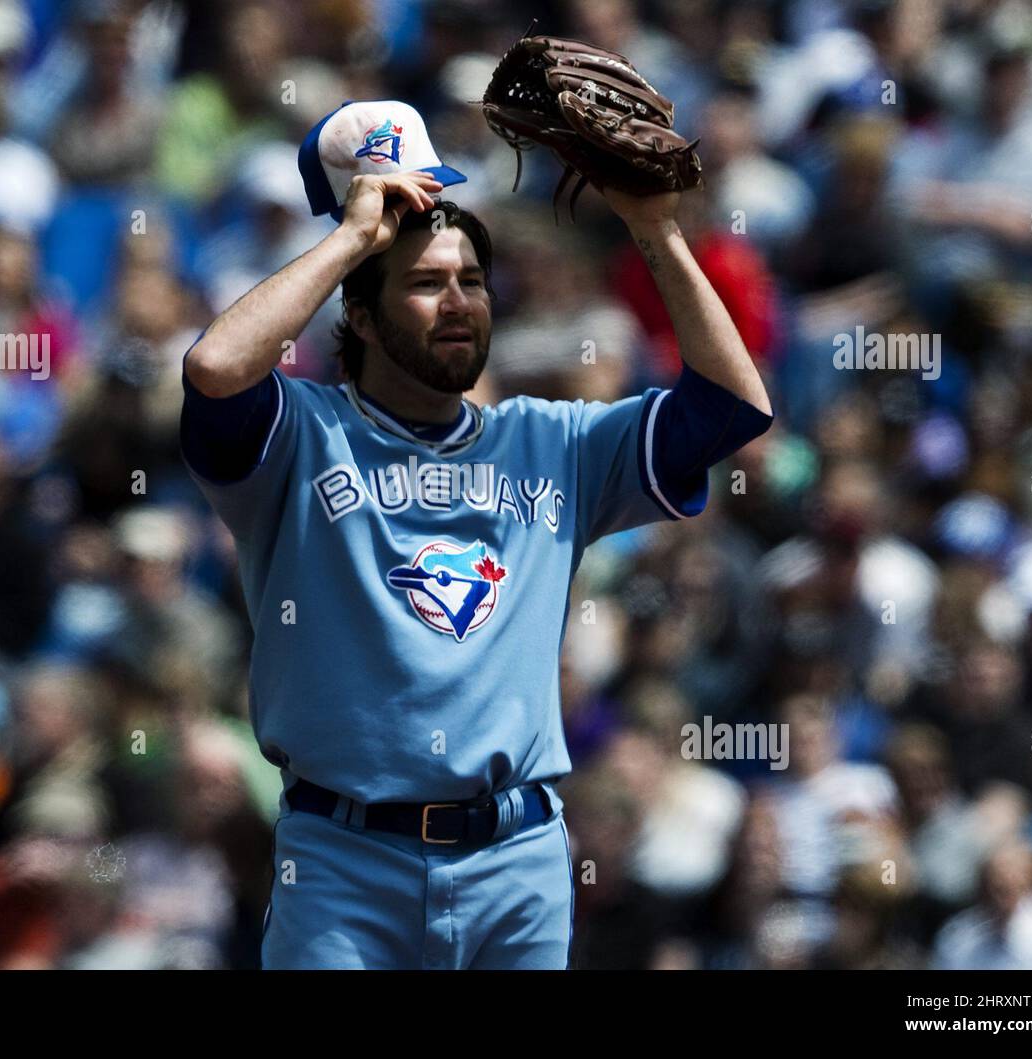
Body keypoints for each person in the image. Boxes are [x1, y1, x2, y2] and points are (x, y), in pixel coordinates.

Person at [178, 100, 773, 969]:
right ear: (365, 317)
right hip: (344, 862)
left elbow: (732, 408)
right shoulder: (299, 437)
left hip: (517, 859)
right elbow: (215, 370)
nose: (458, 302)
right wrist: (352, 240)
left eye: (471, 280)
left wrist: (655, 230)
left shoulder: (552, 441)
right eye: (424, 283)